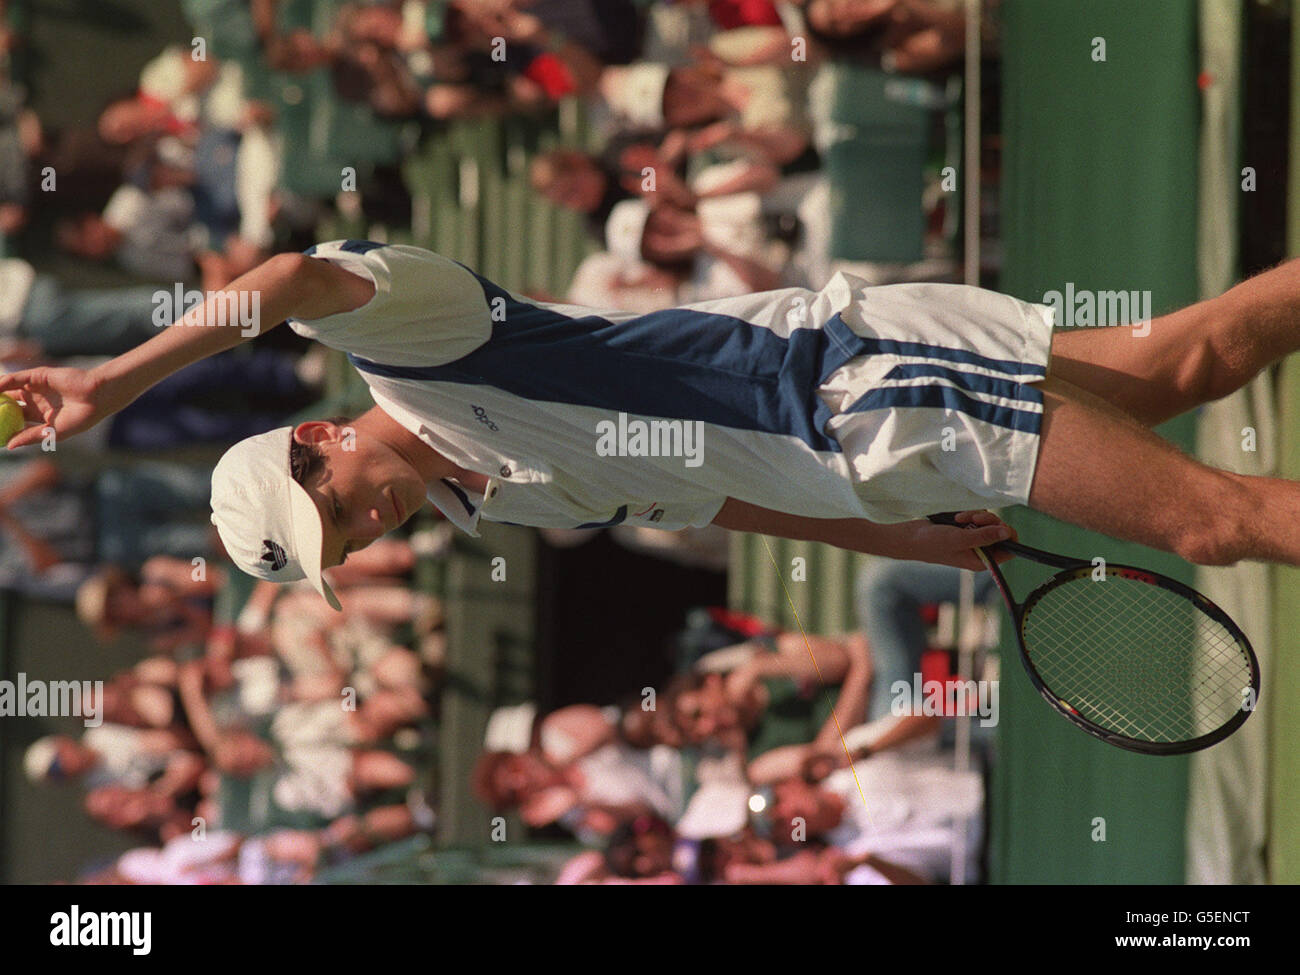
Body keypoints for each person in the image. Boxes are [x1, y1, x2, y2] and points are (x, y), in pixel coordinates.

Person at [2, 240, 1297, 615]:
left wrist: (115, 381)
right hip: (863, 443)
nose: (364, 529)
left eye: (333, 508)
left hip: (852, 388)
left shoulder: (418, 349)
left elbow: (281, 279)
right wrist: (900, 546)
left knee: (1214, 525)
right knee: (1190, 358)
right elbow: (711, 500)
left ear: (316, 445)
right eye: (343, 549)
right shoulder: (497, 502)